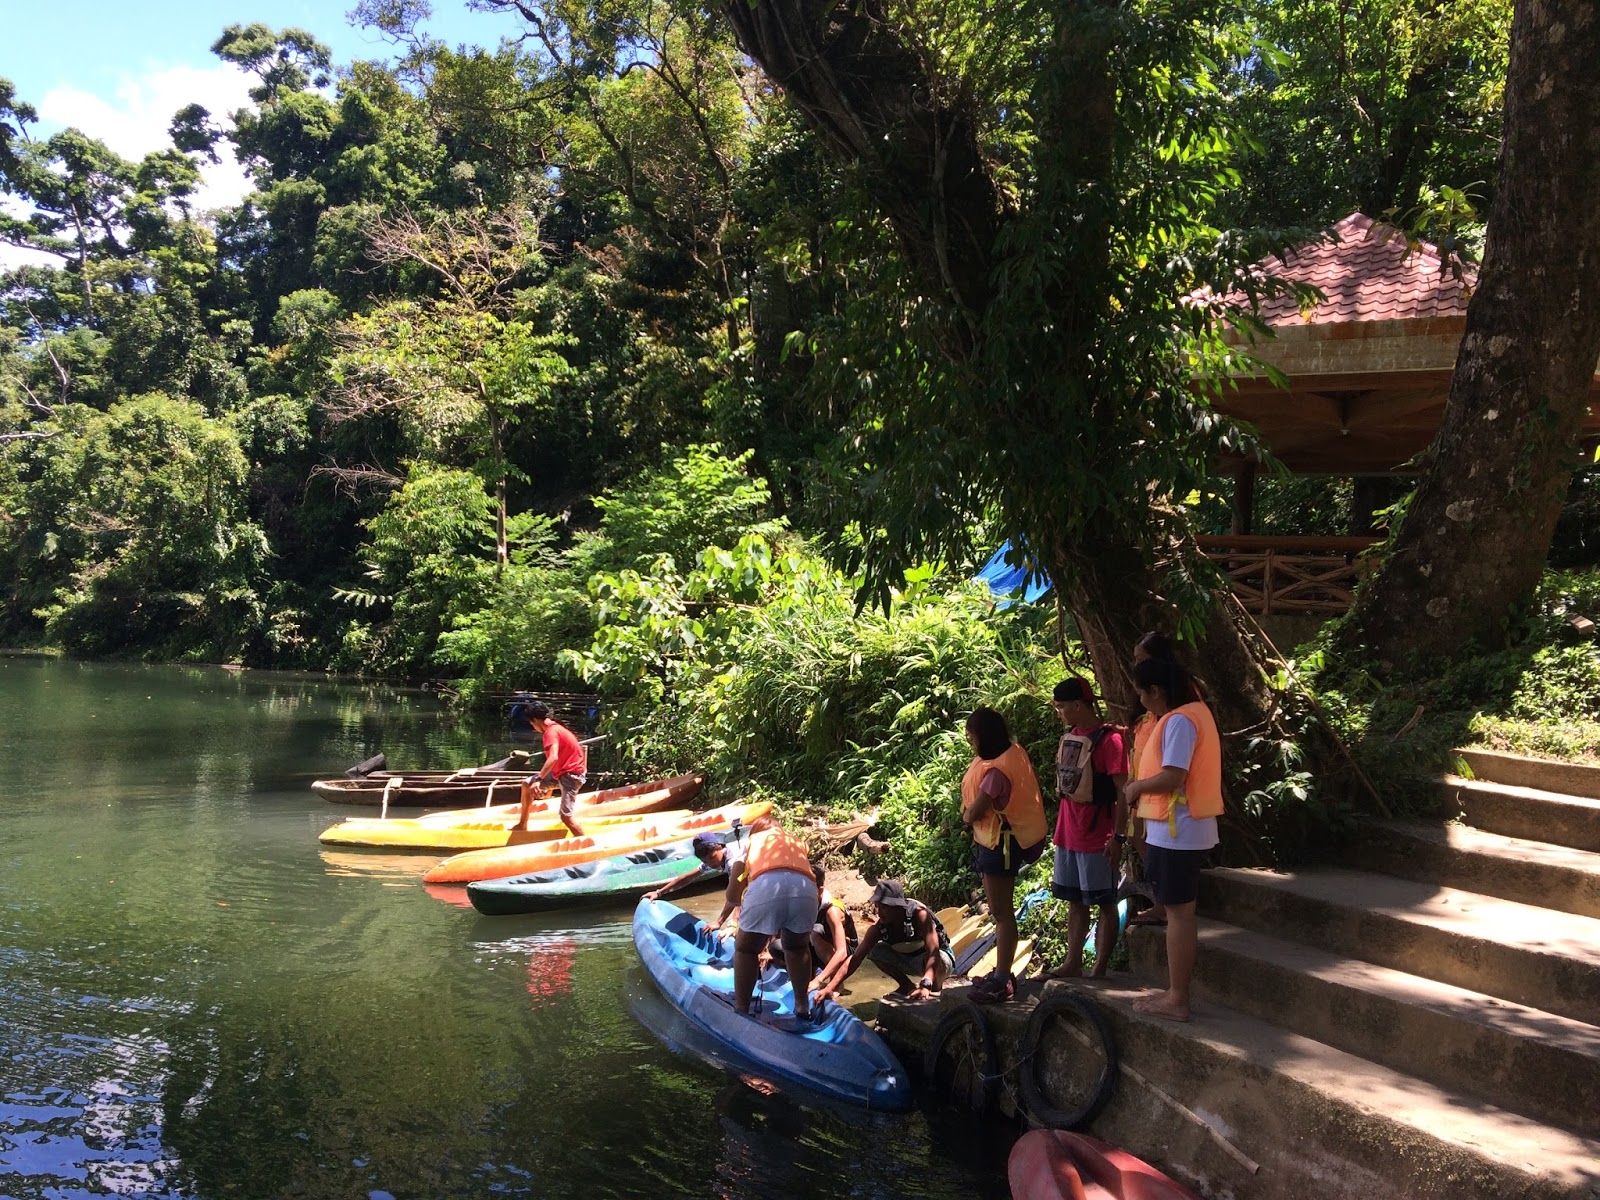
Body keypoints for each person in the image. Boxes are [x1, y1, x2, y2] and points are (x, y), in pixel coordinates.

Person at [1121, 657, 1223, 1022]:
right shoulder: (1192, 713)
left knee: (1180, 915)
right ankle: (1174, 991)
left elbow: (1173, 776)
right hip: (1179, 829)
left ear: (1157, 691)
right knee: (1180, 912)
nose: (1142, 701)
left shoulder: (1180, 720)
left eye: (1142, 694)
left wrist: (1135, 788)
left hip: (1179, 830)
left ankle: (1177, 997)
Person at [960, 707, 1048, 1004]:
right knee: (1001, 913)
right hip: (995, 843)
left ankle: (1001, 978)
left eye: (972, 736)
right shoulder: (1012, 753)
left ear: (984, 736)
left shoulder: (995, 773)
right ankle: (1001, 972)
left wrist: (966, 816)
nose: (971, 742)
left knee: (1001, 913)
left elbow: (975, 811)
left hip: (1000, 846)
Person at [1044, 677, 1129, 979]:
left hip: (1098, 834)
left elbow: (1123, 792)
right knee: (1074, 899)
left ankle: (1100, 968)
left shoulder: (1110, 741)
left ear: (1078, 705)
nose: (1060, 712)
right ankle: (1073, 962)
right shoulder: (1071, 735)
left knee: (1104, 900)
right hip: (1069, 830)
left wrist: (1118, 836)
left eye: (1062, 706)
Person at [724, 817, 818, 1023]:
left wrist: (743, 899)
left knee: (746, 949)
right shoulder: (795, 841)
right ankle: (802, 1004)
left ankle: (741, 1009)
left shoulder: (751, 842)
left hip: (767, 886)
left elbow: (732, 896)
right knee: (797, 947)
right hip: (806, 890)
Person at [813, 879, 952, 1001]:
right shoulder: (877, 929)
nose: (880, 913)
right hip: (909, 959)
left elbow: (933, 951)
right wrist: (830, 987)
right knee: (876, 951)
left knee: (937, 960)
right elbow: (854, 959)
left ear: (897, 906)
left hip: (939, 960)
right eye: (878, 907)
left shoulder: (919, 915)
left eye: (885, 907)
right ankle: (906, 986)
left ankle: (935, 991)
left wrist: (926, 983)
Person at [525, 701, 588, 837]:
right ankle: (522, 825)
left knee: (566, 817)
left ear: (535, 720)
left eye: (531, 724)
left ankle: (588, 845)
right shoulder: (555, 728)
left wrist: (539, 779)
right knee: (526, 784)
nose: (533, 727)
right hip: (562, 773)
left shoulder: (551, 732)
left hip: (571, 777)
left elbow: (553, 757)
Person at [642, 831, 739, 903]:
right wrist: (659, 892)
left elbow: (737, 894)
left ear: (720, 847)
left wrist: (721, 922)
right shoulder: (709, 861)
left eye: (712, 857)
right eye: (705, 860)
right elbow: (687, 878)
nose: (710, 863)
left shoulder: (732, 862)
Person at [808, 862, 857, 991]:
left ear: (820, 890)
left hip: (848, 953)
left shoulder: (832, 910)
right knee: (780, 947)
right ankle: (809, 977)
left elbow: (841, 952)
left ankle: (836, 984)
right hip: (825, 944)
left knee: (814, 932)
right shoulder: (804, 901)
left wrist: (819, 980)